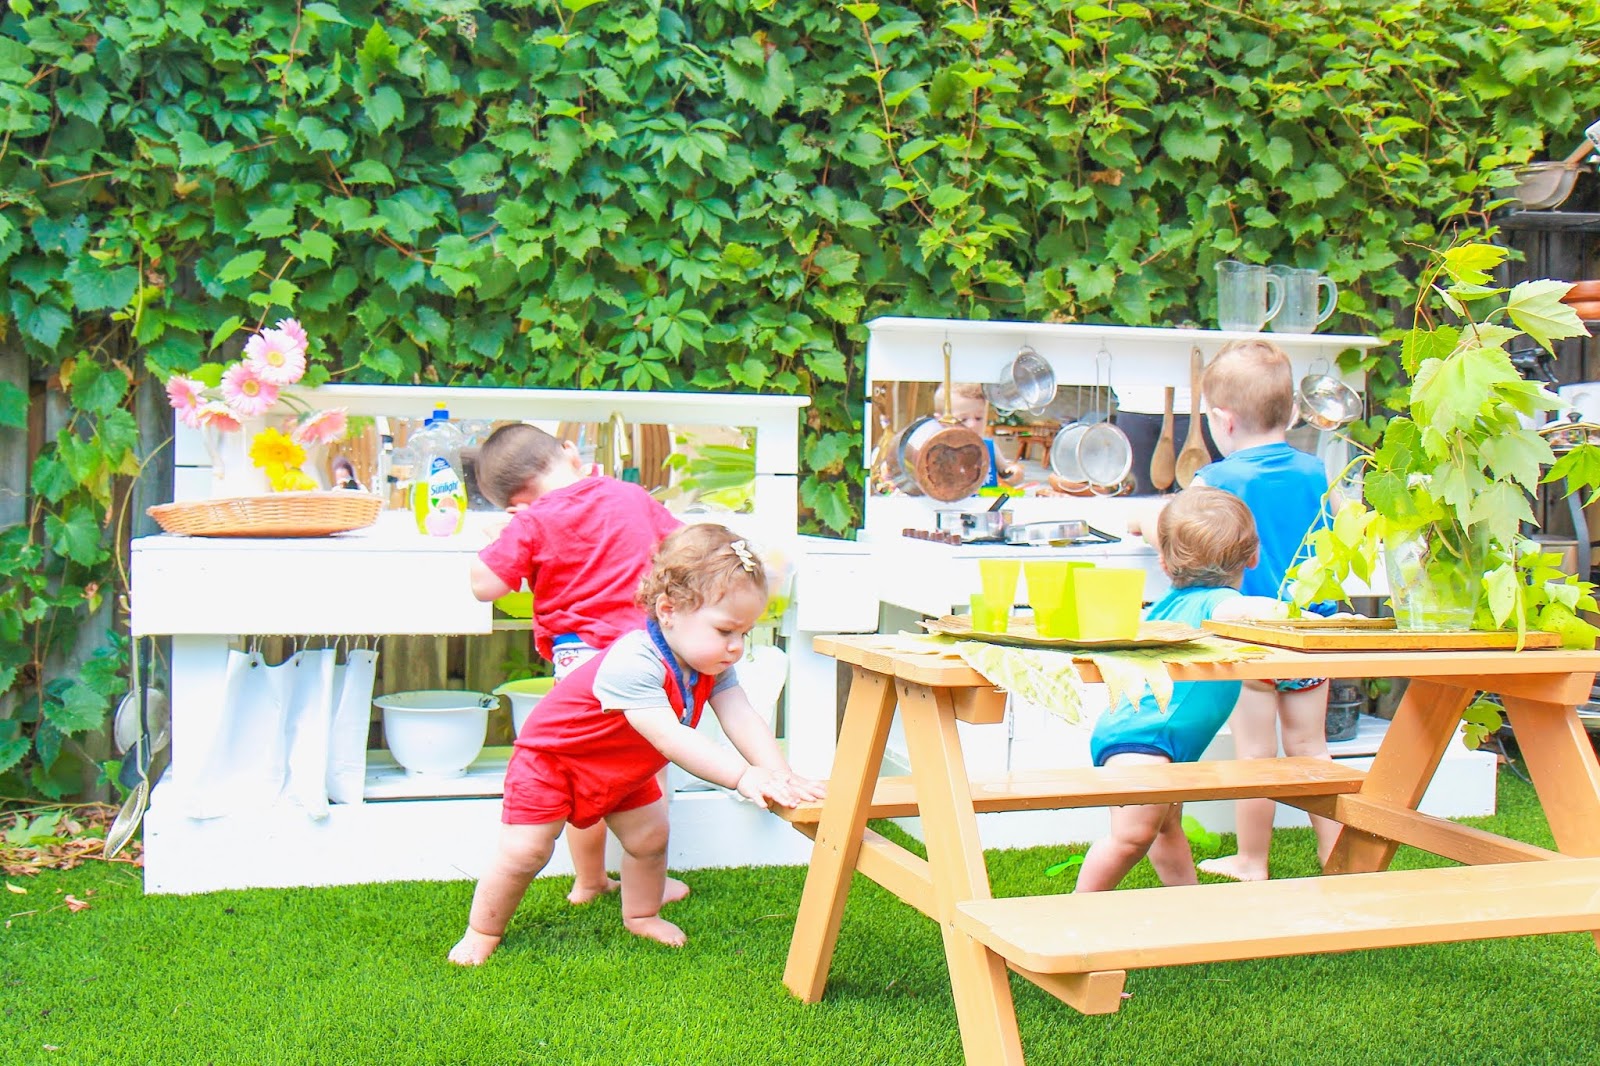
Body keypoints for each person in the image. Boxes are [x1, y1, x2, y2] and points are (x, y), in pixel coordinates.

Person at [448, 524, 826, 964]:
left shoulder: (708, 662)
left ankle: (642, 914)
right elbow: (668, 736)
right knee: (525, 851)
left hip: (623, 768)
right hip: (554, 762)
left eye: (745, 633)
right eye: (726, 630)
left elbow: (741, 713)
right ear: (668, 610)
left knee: (651, 836)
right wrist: (743, 777)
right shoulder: (635, 660)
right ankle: (483, 929)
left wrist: (779, 773)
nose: (737, 647)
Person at [470, 422, 684, 904]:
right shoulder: (629, 496)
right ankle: (647, 883)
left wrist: (503, 533)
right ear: (570, 452)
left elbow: (485, 585)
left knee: (585, 774)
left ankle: (589, 881)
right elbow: (686, 546)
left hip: (579, 668)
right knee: (648, 769)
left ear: (515, 501)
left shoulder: (530, 520)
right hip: (646, 659)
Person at [1075, 488, 1290, 892]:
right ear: (1254, 557)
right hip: (1144, 745)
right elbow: (1241, 611)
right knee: (1130, 837)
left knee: (1164, 826)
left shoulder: (1175, 603)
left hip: (1146, 739)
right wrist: (1296, 614)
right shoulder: (1218, 602)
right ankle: (1070, 915)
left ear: (1164, 562)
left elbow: (1165, 531)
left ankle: (1189, 903)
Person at [1183, 338, 1343, 882]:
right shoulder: (1319, 472)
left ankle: (1252, 861)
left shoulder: (1215, 481)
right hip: (1309, 632)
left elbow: (1178, 526)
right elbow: (1344, 532)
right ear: (1294, 412)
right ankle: (1339, 859)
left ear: (1222, 421)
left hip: (1250, 635)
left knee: (1255, 754)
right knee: (1311, 750)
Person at [932, 382, 1024, 488]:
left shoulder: (989, 447)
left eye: (979, 418)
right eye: (963, 419)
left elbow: (1007, 472)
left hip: (989, 504)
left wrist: (1014, 474)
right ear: (940, 420)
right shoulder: (937, 451)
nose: (972, 425)